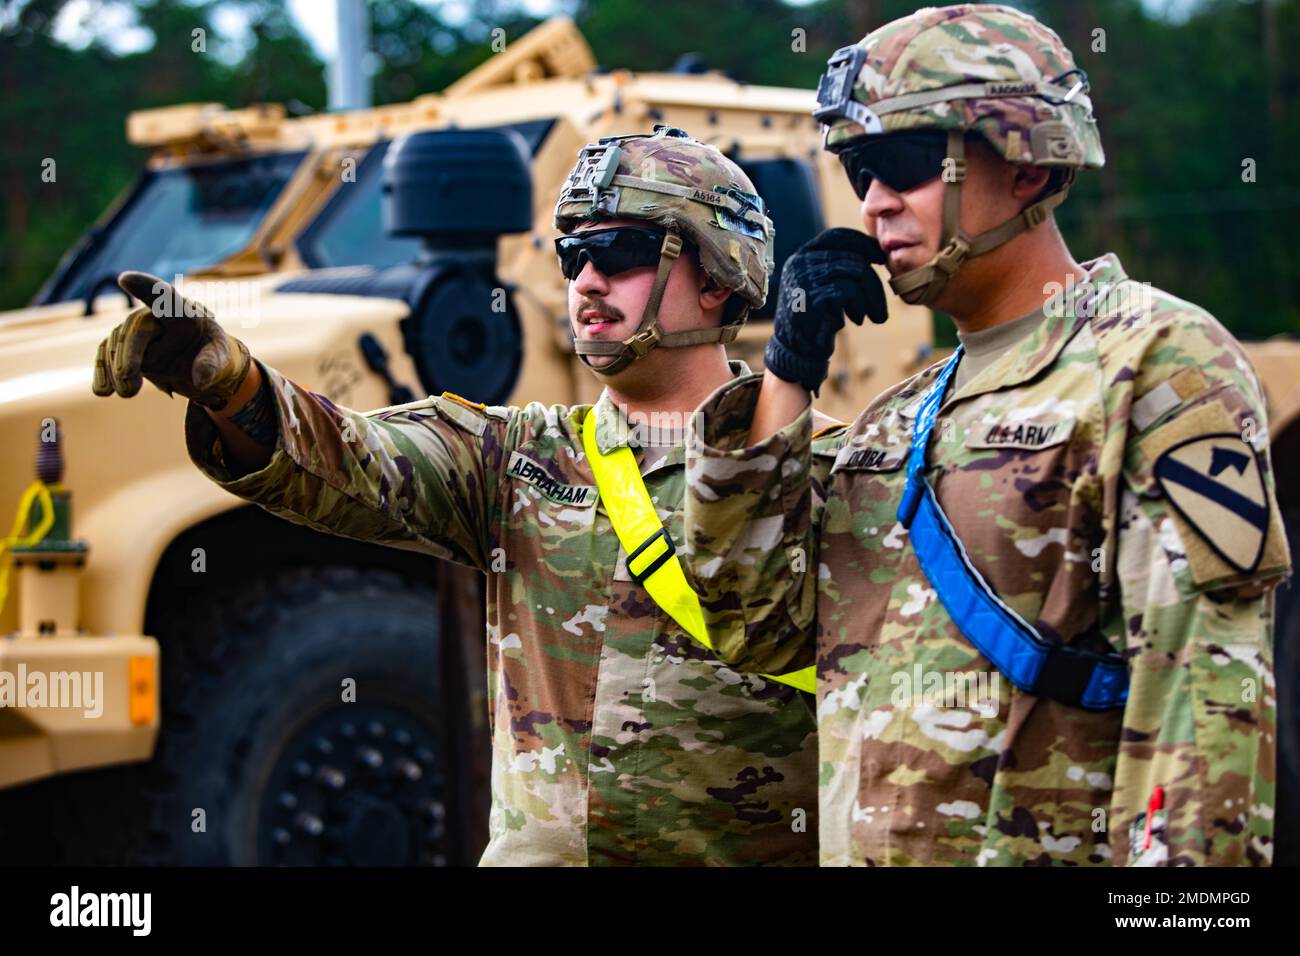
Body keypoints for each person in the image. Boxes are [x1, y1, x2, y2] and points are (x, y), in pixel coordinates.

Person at [91, 126, 843, 866]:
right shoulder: (515, 457)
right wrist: (230, 385)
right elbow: (348, 458)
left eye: (618, 252)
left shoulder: (830, 465)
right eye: (572, 255)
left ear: (717, 275)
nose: (584, 281)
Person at [682, 4, 1291, 866]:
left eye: (900, 162)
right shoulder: (898, 418)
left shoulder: (1154, 362)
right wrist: (785, 373)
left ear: (1030, 166)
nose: (874, 201)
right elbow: (756, 627)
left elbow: (1204, 700)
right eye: (858, 169)